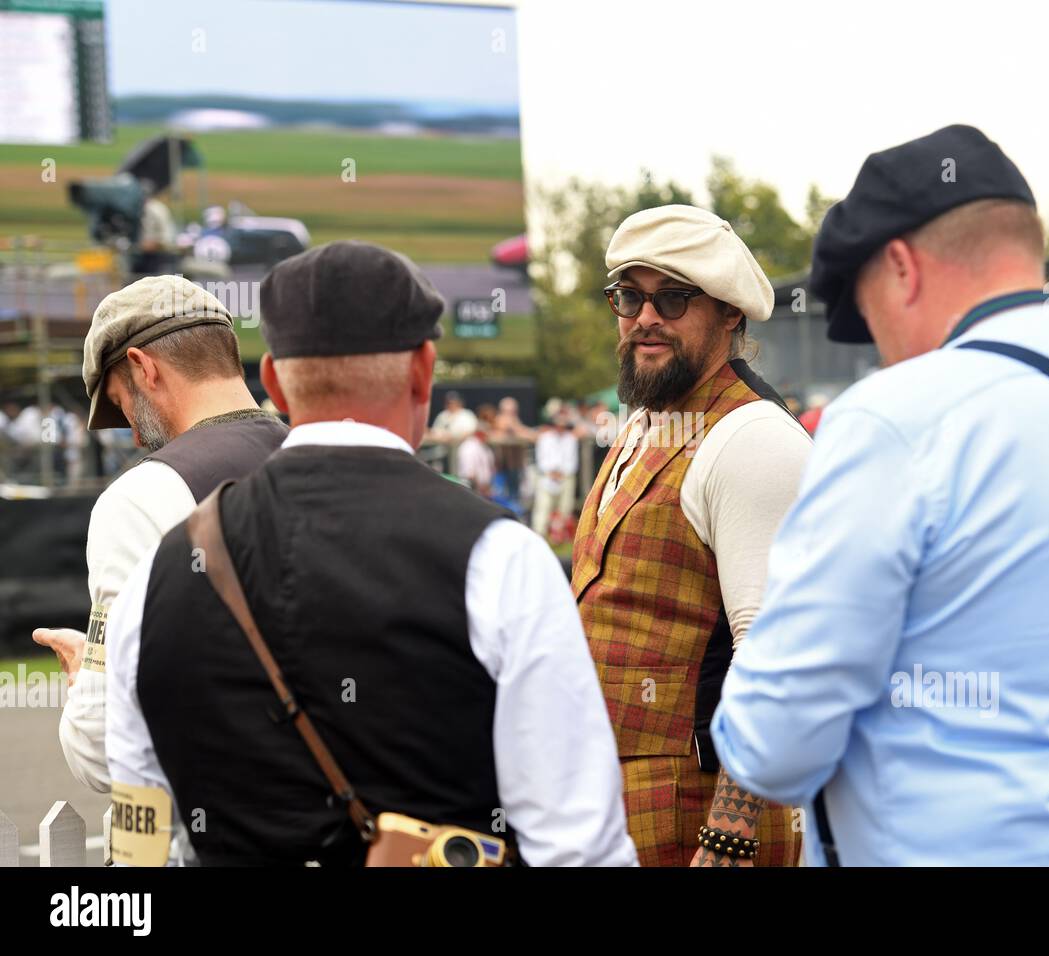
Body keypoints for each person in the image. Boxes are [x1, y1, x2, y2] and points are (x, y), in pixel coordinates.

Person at [710, 125, 1049, 866]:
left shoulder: (891, 418)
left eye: (868, 312)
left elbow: (776, 742)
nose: (879, 347)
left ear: (903, 269)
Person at [104, 240, 636, 866]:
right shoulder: (500, 559)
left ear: (273, 378)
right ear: (423, 370)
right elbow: (580, 847)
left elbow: (138, 848)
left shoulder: (155, 579)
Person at [572, 204, 811, 867]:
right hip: (626, 808)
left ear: (729, 312)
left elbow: (775, 652)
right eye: (628, 296)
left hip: (708, 820)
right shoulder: (648, 418)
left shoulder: (753, 437)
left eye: (672, 298)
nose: (644, 318)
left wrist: (729, 835)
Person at [34, 275, 287, 804]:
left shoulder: (142, 497)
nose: (131, 431)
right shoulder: (321, 459)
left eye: (122, 403)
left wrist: (88, 676)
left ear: (144, 367)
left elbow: (104, 747)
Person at [531, 410, 578, 540]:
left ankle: (560, 534)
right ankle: (539, 534)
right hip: (547, 476)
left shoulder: (571, 439)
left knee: (565, 507)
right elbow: (541, 459)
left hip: (565, 476)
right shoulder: (544, 438)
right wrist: (551, 472)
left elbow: (572, 461)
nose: (560, 427)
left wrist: (562, 472)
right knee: (543, 506)